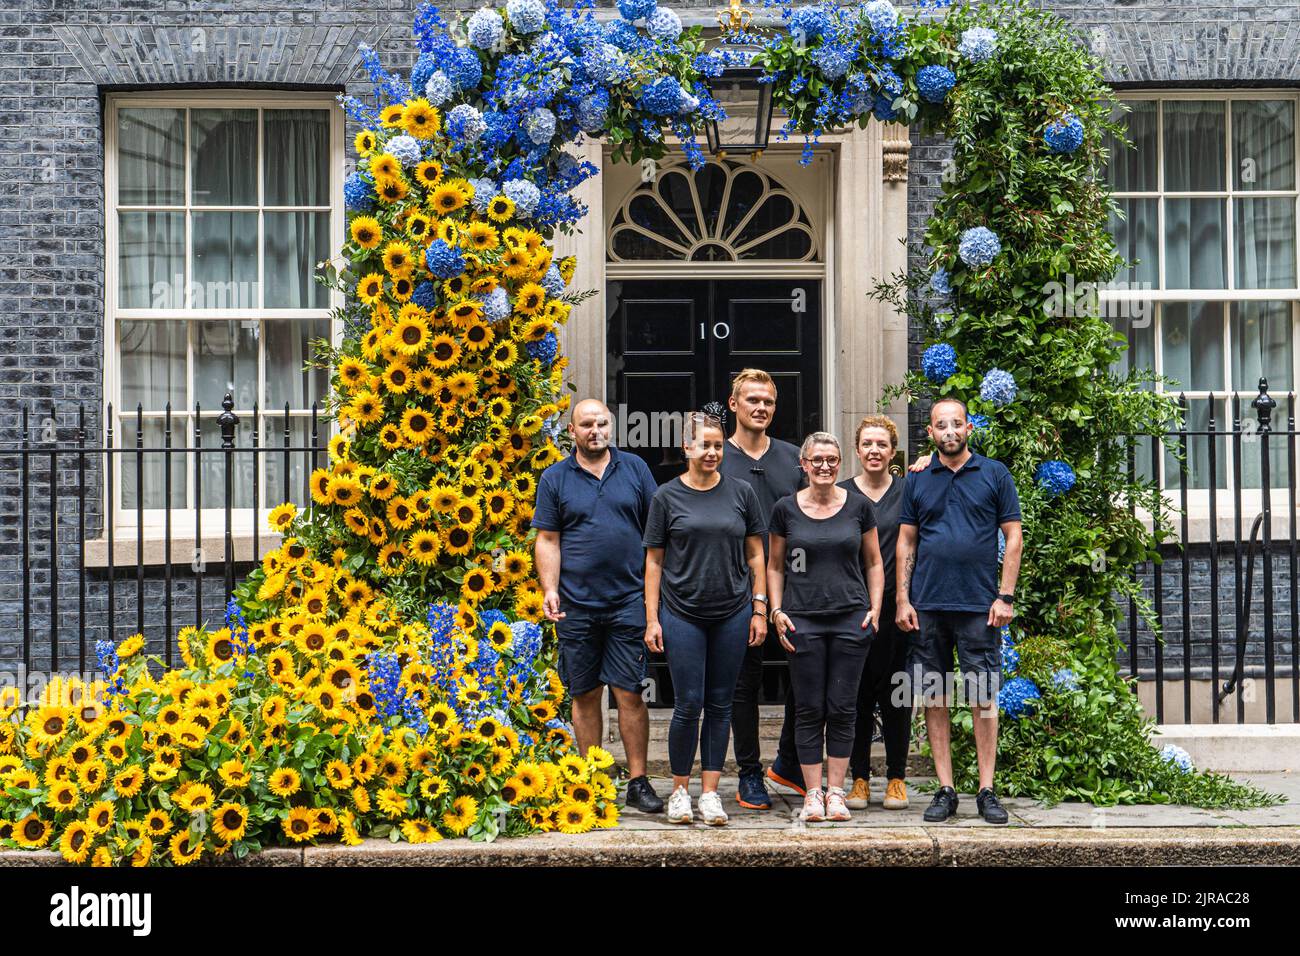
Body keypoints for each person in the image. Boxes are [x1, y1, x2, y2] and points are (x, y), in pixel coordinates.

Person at [896, 397, 1023, 824]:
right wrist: (902, 598)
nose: (949, 430)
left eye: (956, 423)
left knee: (984, 697)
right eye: (940, 425)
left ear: (969, 428)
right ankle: (946, 789)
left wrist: (1005, 596)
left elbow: (1014, 536)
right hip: (928, 605)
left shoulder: (994, 474)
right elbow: (906, 542)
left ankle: (987, 790)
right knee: (935, 695)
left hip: (979, 606)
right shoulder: (918, 479)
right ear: (930, 433)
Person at [534, 399, 664, 814]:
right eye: (587, 424)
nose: (596, 430)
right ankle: (591, 780)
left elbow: (655, 535)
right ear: (571, 431)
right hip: (575, 604)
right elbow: (548, 539)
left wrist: (651, 604)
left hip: (628, 600)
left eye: (602, 423)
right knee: (586, 692)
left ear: (612, 427)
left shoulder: (635, 470)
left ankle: (638, 782)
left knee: (629, 693)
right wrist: (549, 589)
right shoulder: (555, 478)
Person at [644, 412, 768, 825]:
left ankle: (711, 793)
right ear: (687, 448)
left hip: (733, 612)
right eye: (704, 445)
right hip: (681, 613)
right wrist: (652, 619)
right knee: (688, 703)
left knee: (720, 703)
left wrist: (759, 607)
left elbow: (755, 554)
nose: (712, 452)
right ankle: (680, 789)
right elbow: (654, 562)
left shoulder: (742, 492)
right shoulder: (666, 497)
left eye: (717, 445)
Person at [768, 432, 884, 822]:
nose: (824, 466)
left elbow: (873, 562)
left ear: (839, 464)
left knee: (843, 708)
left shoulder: (859, 507)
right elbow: (774, 565)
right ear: (803, 465)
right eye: (816, 459)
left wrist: (876, 609)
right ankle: (812, 794)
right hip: (803, 620)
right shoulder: (785, 509)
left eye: (832, 460)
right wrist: (777, 609)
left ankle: (837, 792)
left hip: (851, 619)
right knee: (808, 708)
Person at [718, 368, 806, 811]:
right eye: (752, 400)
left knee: (805, 677)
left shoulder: (795, 460)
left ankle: (788, 761)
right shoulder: (717, 457)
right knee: (743, 683)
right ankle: (749, 772)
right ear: (733, 405)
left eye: (768, 402)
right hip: (735, 588)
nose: (760, 408)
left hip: (795, 584)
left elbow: (824, 508)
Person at [841, 415, 913, 811]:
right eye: (867, 444)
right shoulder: (841, 494)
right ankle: (860, 779)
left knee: (896, 695)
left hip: (896, 612)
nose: (874, 451)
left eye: (882, 444)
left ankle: (897, 779)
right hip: (852, 610)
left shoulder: (908, 492)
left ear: (892, 450)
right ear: (857, 449)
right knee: (856, 696)